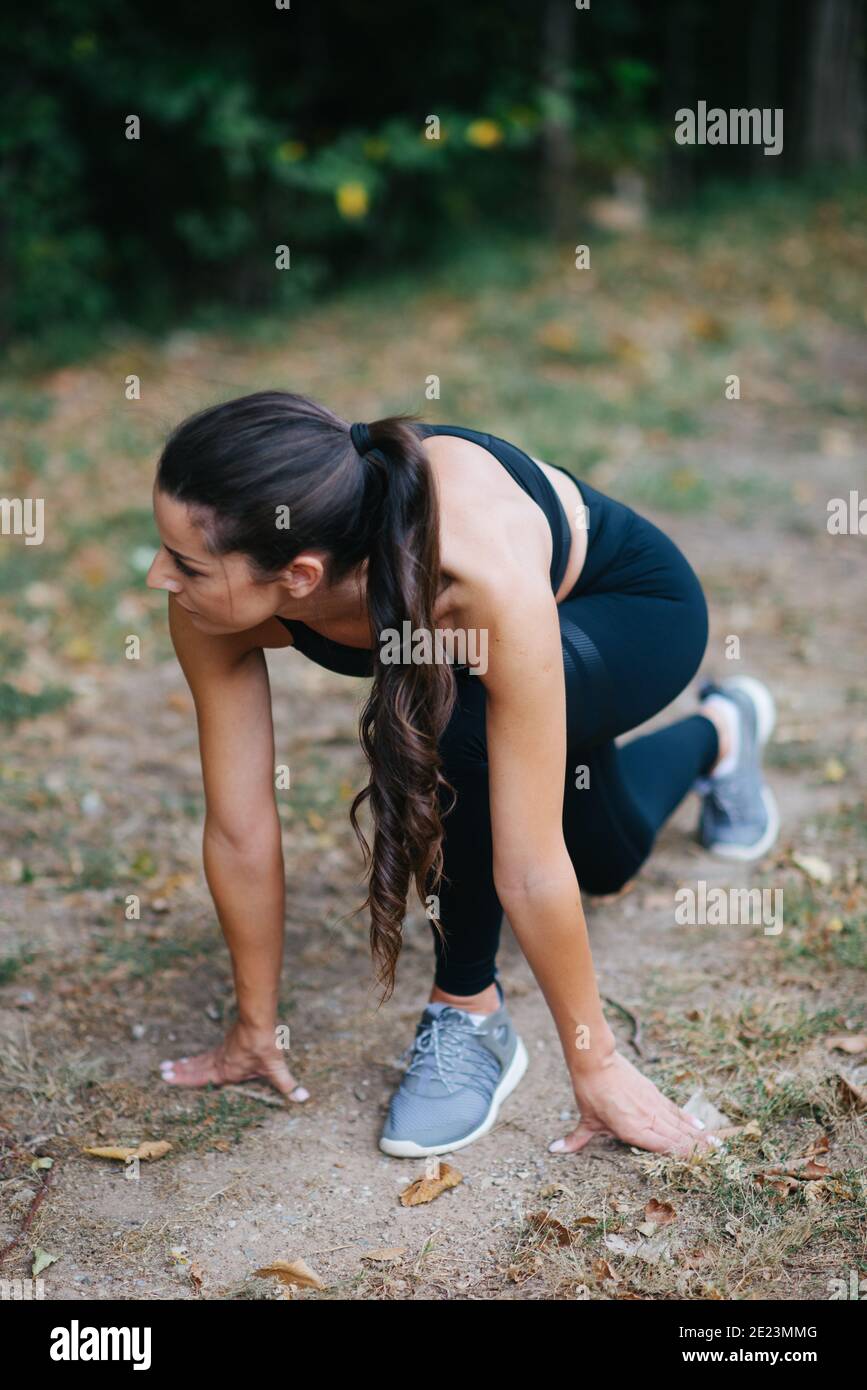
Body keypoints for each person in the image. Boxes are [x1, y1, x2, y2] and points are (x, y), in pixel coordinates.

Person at [146, 391, 778, 1160]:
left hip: (629, 610)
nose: (158, 578)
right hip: (510, 659)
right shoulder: (212, 601)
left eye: (184, 563)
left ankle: (468, 1010)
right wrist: (254, 1024)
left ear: (302, 575)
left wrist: (597, 1065)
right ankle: (722, 734)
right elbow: (240, 826)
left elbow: (529, 862)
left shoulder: (467, 579)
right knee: (606, 861)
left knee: (461, 727)